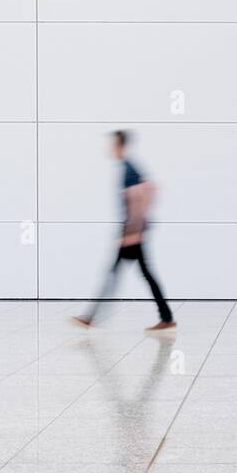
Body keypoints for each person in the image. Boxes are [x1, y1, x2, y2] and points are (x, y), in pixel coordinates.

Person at [74, 130, 176, 331]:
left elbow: (136, 203)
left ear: (120, 146)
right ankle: (166, 316)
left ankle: (90, 317)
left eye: (113, 145)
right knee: (139, 273)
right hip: (134, 232)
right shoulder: (131, 168)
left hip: (132, 234)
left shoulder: (129, 170)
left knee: (116, 274)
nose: (110, 149)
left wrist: (130, 234)